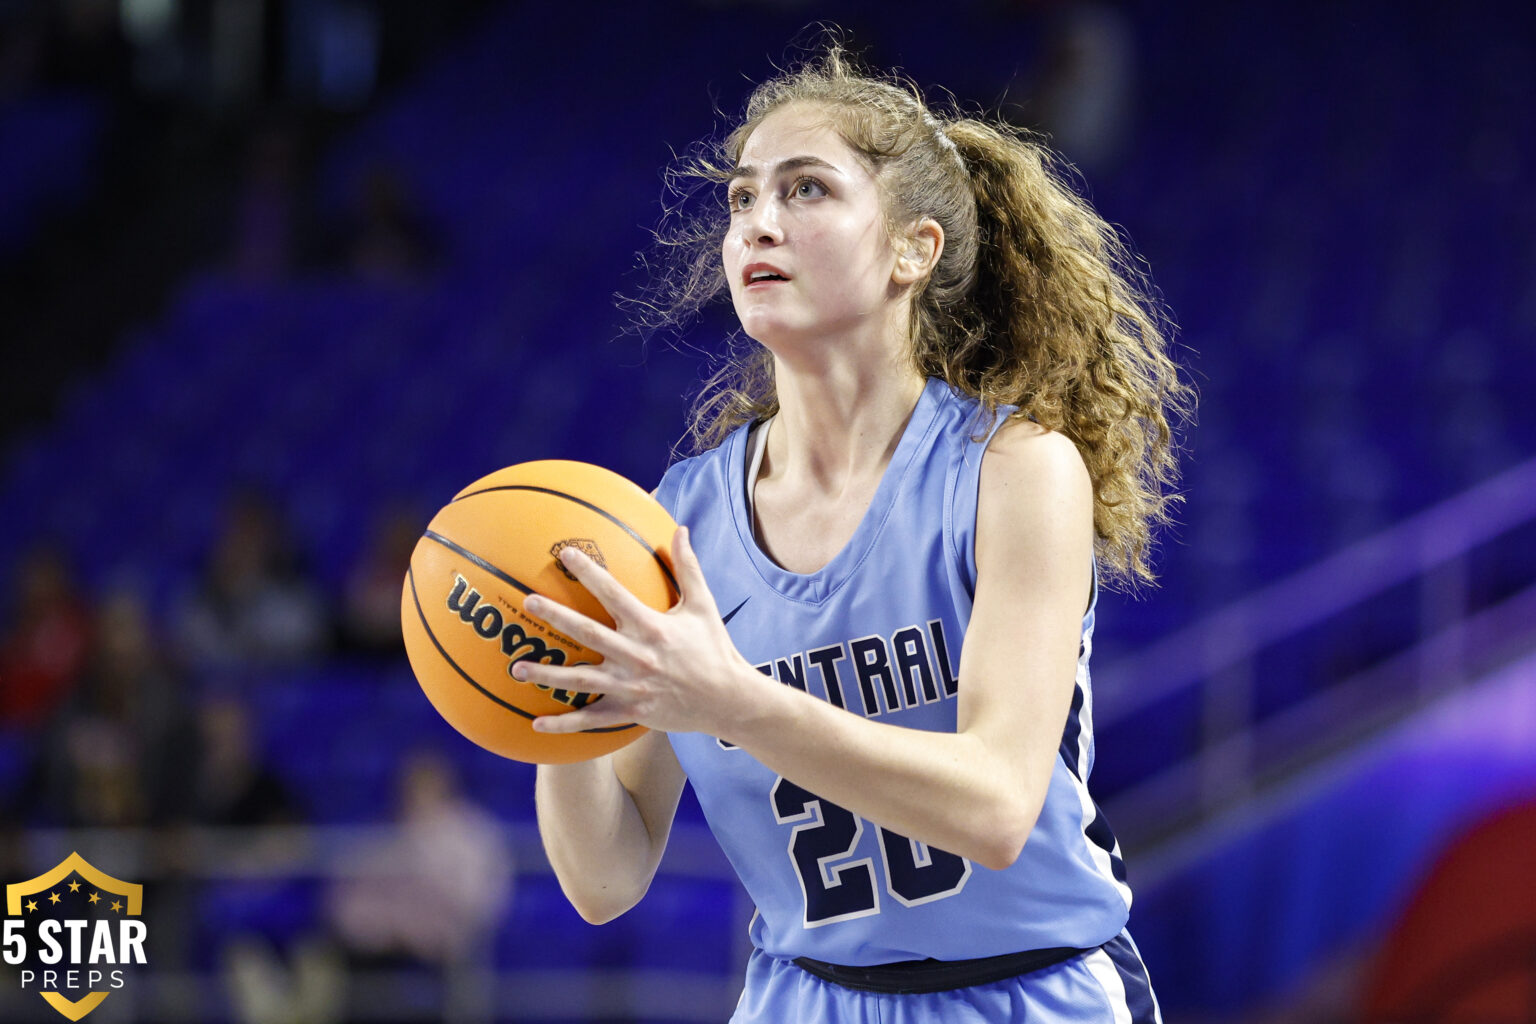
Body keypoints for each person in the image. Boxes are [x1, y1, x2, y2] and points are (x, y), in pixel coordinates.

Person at [523, 42, 1190, 1023]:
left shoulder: (1013, 471)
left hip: (1032, 992)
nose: (758, 222)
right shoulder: (681, 517)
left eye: (805, 190)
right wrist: (544, 707)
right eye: (743, 197)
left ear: (912, 250)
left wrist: (732, 698)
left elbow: (996, 808)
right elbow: (608, 875)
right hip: (804, 997)